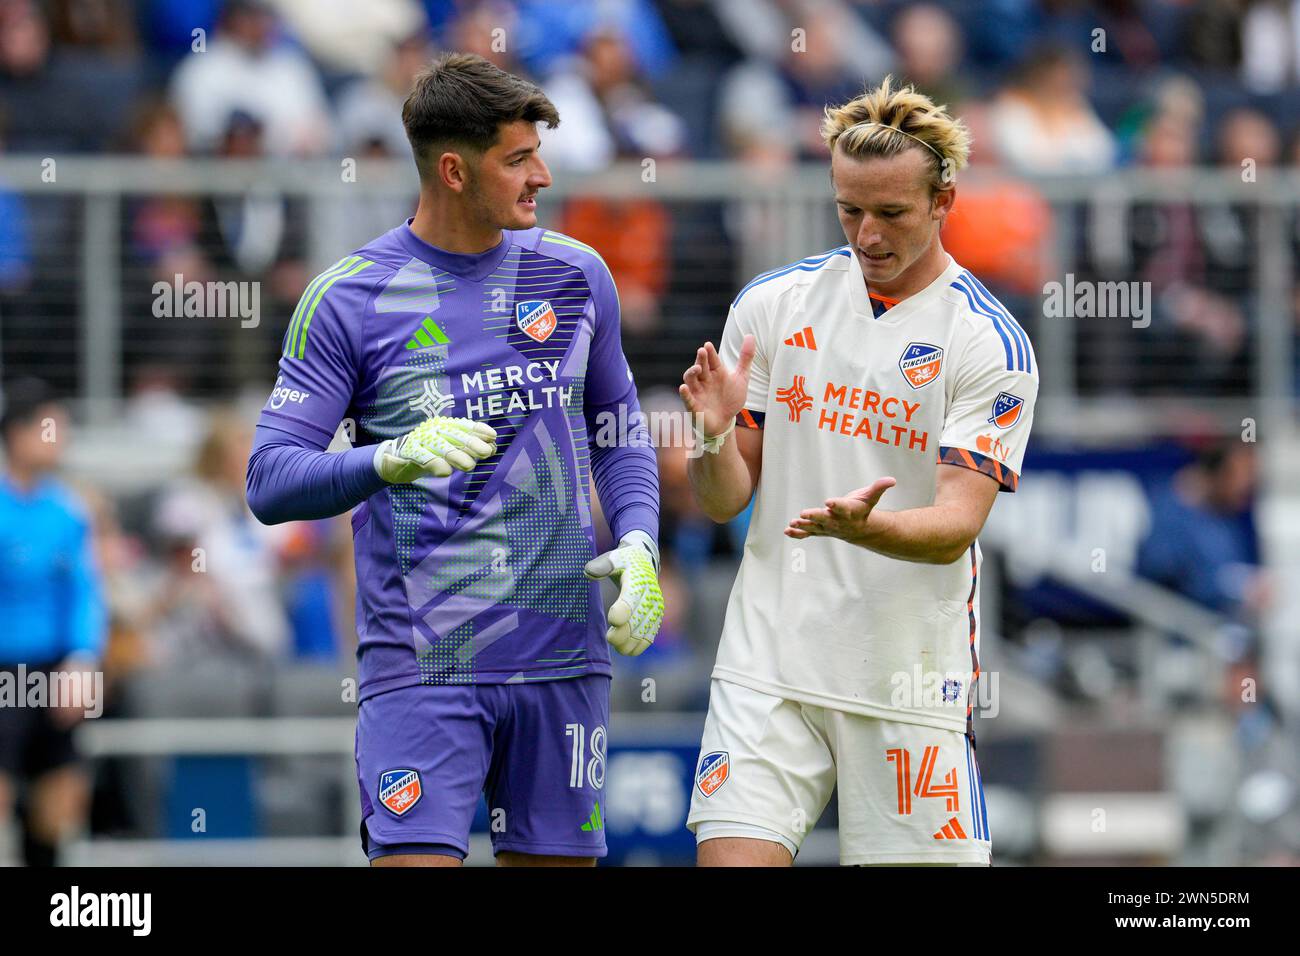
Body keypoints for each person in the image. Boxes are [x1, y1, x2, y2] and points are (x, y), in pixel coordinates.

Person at [245, 53, 662, 867]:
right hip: (423, 665)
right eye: (518, 159)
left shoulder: (578, 275)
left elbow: (618, 426)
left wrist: (641, 541)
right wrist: (386, 458)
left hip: (561, 660)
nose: (542, 175)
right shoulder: (350, 296)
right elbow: (268, 479)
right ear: (452, 169)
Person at [678, 76, 1039, 866]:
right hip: (768, 662)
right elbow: (723, 500)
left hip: (909, 683)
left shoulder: (987, 342)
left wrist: (866, 531)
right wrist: (709, 441)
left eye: (892, 213)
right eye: (849, 209)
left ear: (943, 201)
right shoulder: (774, 305)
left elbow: (955, 527)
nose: (867, 233)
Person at [0, 378, 107, 865]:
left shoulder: (67, 511)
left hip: (52, 671)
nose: (58, 438)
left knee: (57, 805)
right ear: (19, 435)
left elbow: (84, 592)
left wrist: (82, 658)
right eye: (49, 428)